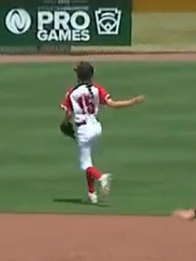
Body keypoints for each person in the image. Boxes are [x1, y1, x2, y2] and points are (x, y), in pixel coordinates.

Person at [60, 61, 144, 204]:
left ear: (78, 76)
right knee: (89, 160)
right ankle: (91, 194)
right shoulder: (97, 89)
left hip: (83, 130)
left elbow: (68, 113)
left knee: (85, 164)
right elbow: (113, 104)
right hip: (96, 127)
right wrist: (133, 101)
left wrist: (65, 123)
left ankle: (101, 178)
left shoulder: (72, 92)